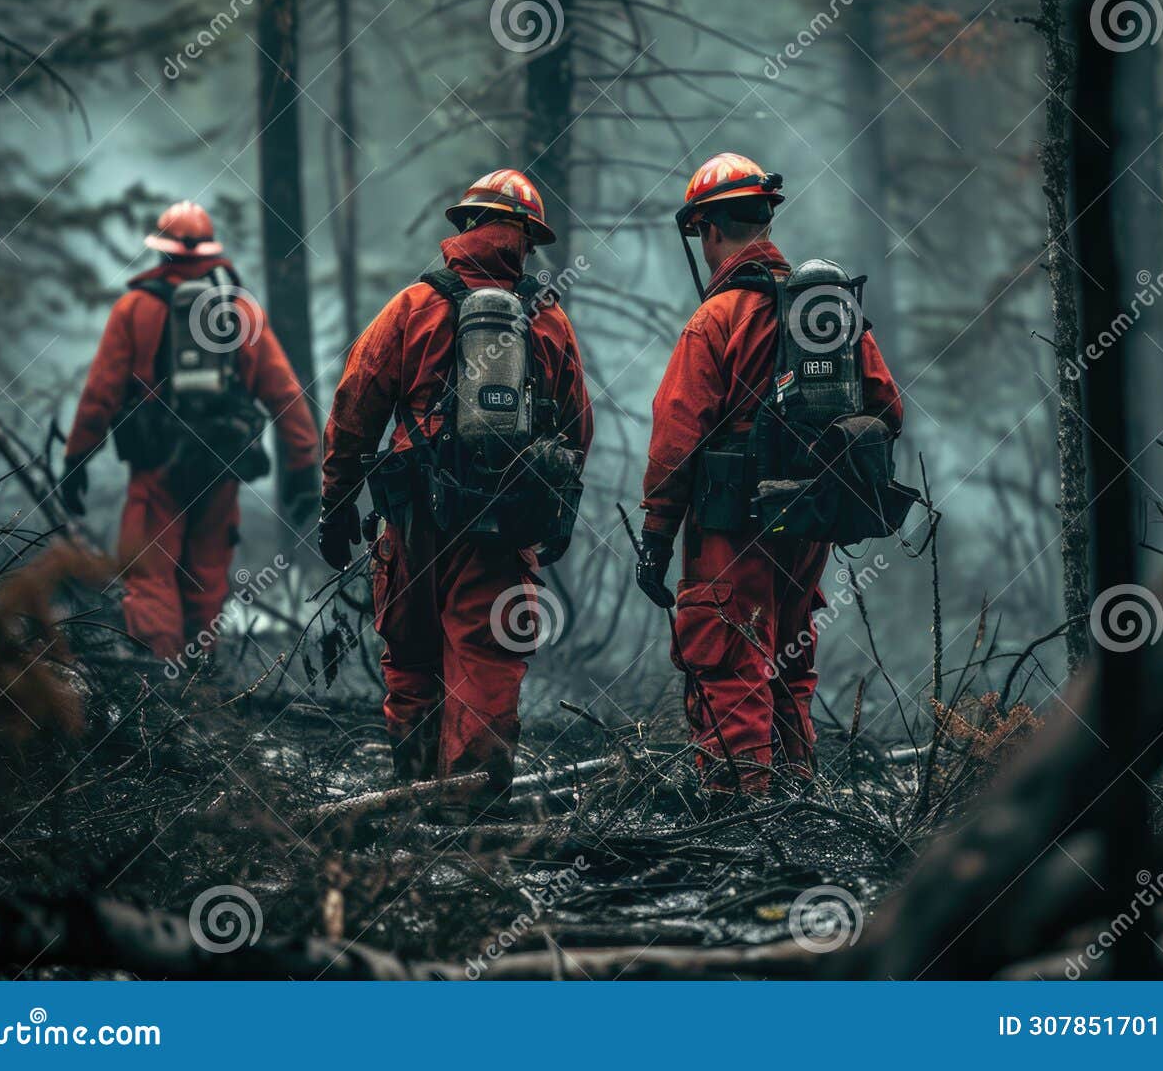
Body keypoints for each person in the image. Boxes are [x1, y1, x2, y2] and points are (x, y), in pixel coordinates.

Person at [316, 169, 593, 819]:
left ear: (465, 226)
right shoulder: (549, 321)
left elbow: (355, 404)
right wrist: (560, 513)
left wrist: (336, 504)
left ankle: (412, 798)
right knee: (486, 659)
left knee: (411, 658)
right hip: (500, 528)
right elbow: (577, 428)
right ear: (527, 239)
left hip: (413, 519)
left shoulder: (413, 306)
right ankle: (471, 817)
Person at [636, 153, 905, 800]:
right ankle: (796, 803)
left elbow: (675, 441)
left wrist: (655, 538)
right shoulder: (829, 314)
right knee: (786, 665)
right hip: (806, 527)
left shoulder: (716, 319)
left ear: (708, 230)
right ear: (764, 219)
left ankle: (741, 820)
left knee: (728, 662)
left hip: (731, 530)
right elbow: (888, 408)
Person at [58, 201, 320, 662]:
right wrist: (303, 468)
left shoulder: (134, 309)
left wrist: (76, 459)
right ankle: (200, 679)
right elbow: (285, 394)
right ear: (210, 249)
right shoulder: (240, 312)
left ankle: (162, 687)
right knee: (207, 572)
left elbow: (101, 394)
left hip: (156, 465)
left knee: (151, 575)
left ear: (162, 251)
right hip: (219, 466)